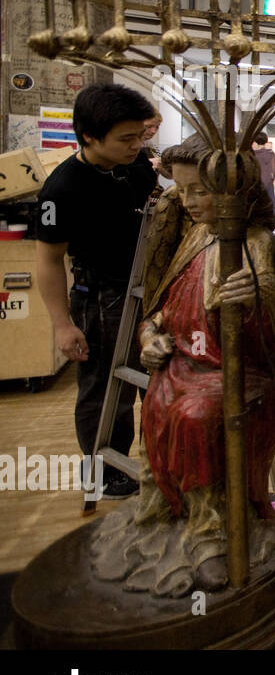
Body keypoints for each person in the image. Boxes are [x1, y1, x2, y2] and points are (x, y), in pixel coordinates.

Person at [91, 135, 275, 595]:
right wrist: (151, 337)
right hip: (184, 367)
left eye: (199, 190)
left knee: (196, 416)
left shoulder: (258, 244)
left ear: (236, 190)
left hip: (238, 373)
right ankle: (166, 511)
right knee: (160, 405)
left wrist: (251, 303)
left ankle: (209, 535)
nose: (188, 202)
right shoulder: (195, 238)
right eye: (181, 192)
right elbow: (162, 307)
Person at [35, 84, 157, 500]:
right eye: (126, 138)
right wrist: (62, 325)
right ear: (88, 135)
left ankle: (162, 461)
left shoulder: (137, 165)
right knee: (104, 391)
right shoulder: (62, 188)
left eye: (140, 136)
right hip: (99, 298)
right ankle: (105, 473)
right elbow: (49, 261)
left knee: (157, 383)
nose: (136, 145)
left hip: (148, 290)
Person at [252, 130, 275, 216]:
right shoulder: (270, 154)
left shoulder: (252, 155)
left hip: (254, 186)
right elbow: (274, 171)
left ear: (256, 142)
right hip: (267, 187)